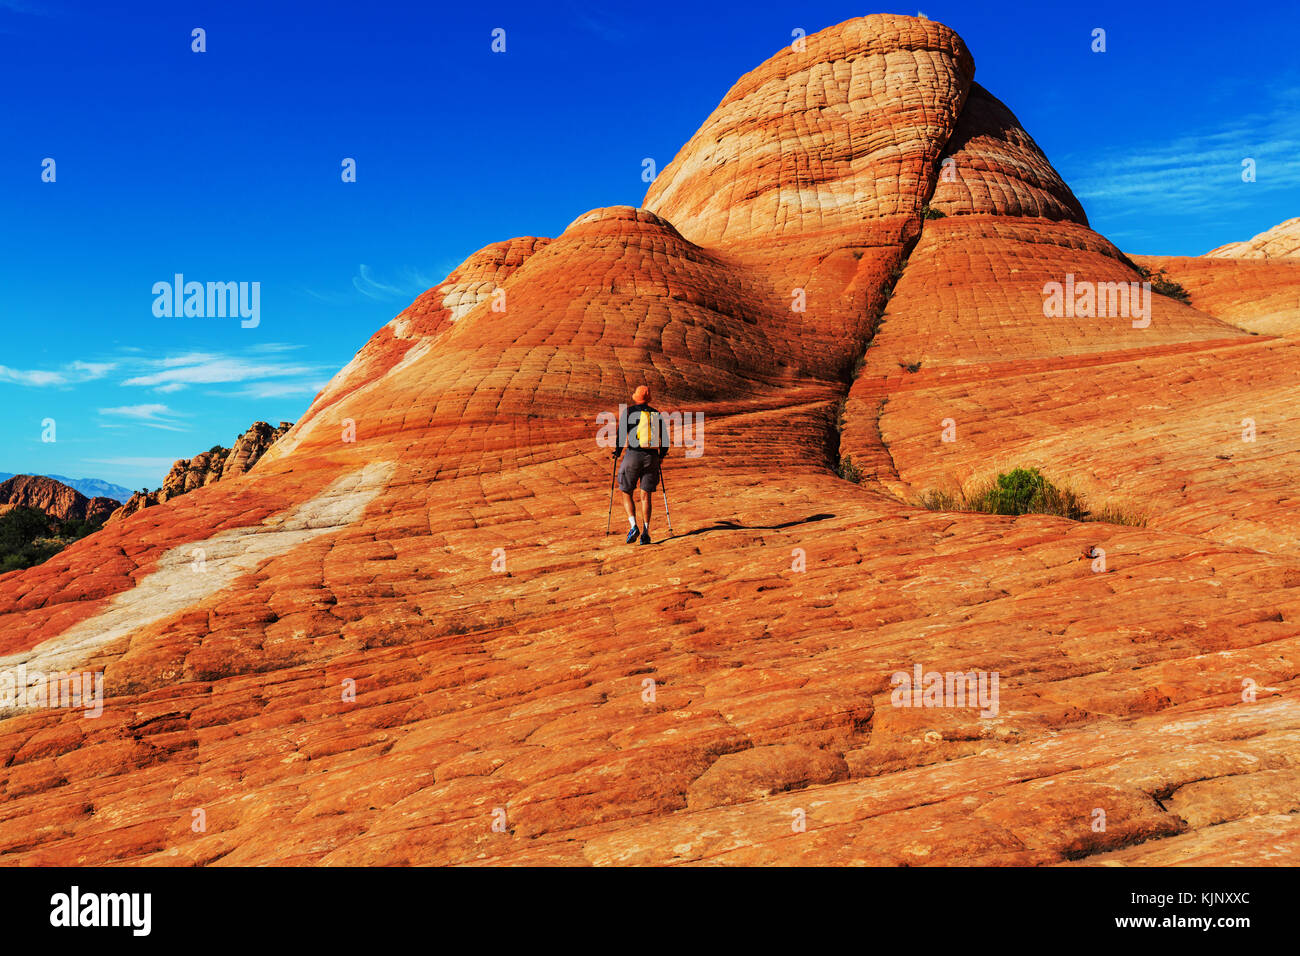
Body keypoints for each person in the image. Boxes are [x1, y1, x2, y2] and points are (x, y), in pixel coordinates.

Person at [612, 385, 669, 544]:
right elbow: (664, 439)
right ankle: (645, 532)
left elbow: (621, 434)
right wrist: (661, 456)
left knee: (626, 491)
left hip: (633, 455)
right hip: (651, 457)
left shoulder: (629, 412)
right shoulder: (656, 413)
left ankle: (633, 526)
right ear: (648, 399)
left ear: (636, 397)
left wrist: (617, 452)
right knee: (646, 496)